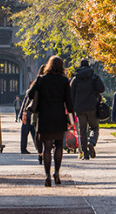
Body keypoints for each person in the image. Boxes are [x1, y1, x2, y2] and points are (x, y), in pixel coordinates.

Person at [26, 56, 75, 187]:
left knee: (46, 147)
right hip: (59, 115)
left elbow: (30, 94)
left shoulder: (41, 79)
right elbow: (69, 102)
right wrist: (71, 118)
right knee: (59, 146)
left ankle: (47, 175)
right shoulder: (64, 81)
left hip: (45, 115)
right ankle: (57, 173)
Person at [69, 59, 106, 159]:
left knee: (82, 131)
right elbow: (102, 88)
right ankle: (92, 142)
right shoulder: (94, 76)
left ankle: (85, 153)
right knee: (94, 127)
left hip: (80, 108)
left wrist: (72, 108)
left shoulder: (76, 79)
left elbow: (71, 94)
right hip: (92, 106)